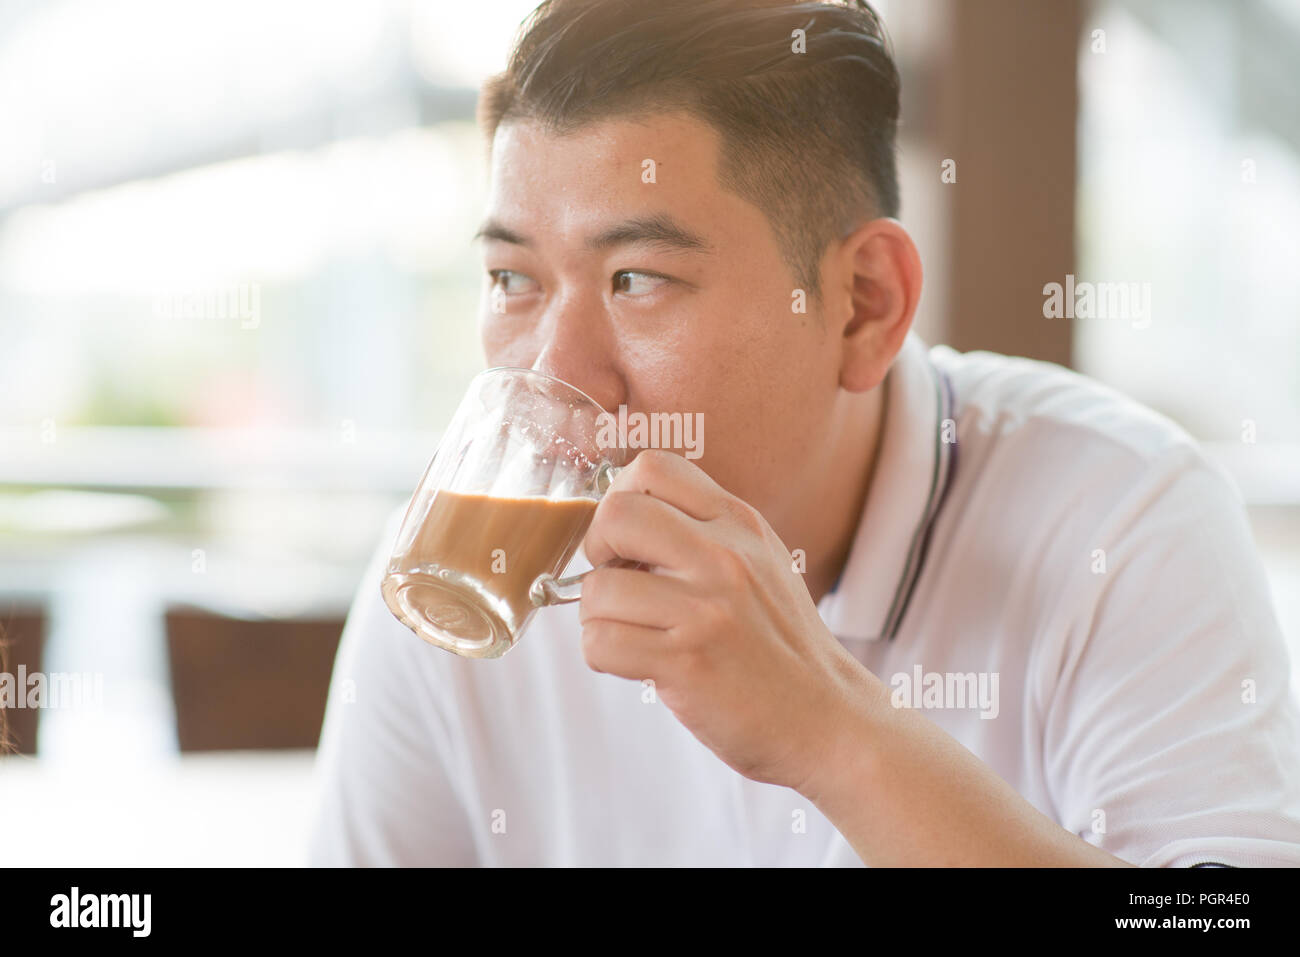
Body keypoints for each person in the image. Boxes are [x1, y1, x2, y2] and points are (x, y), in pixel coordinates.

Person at [306, 0, 1300, 866]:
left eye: (637, 279)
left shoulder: (1119, 515)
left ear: (862, 304)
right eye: (512, 278)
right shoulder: (466, 584)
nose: (553, 374)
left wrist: (830, 734)